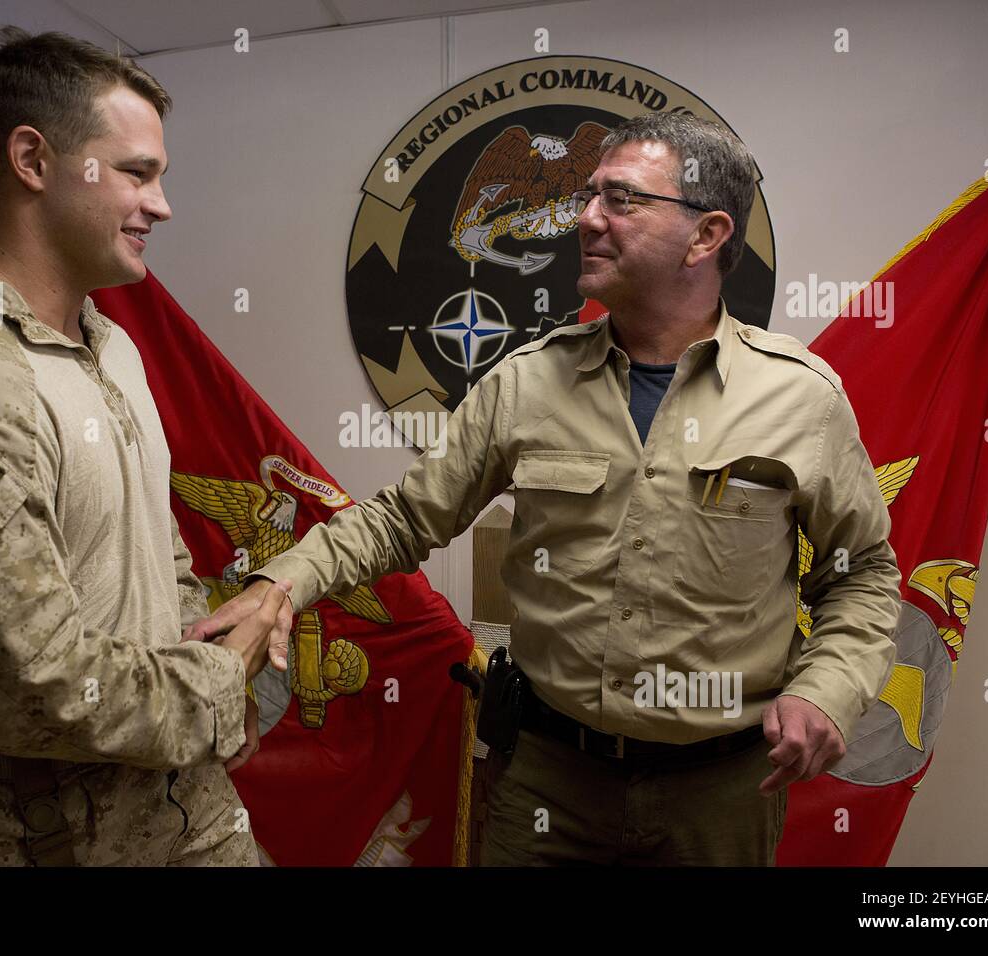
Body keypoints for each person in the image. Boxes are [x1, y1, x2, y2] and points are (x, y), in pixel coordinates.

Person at [188, 113, 901, 866]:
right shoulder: (528, 381)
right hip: (548, 785)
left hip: (719, 794)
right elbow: (402, 519)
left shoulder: (801, 399)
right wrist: (284, 581)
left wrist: (829, 689)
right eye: (590, 195)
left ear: (706, 235)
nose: (585, 218)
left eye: (620, 200)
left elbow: (863, 575)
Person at [0, 27, 292, 866]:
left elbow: (161, 559)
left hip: (181, 806)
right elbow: (26, 681)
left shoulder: (110, 346)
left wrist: (205, 633)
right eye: (136, 173)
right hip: (50, 834)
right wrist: (229, 683)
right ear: (33, 160)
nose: (161, 205)